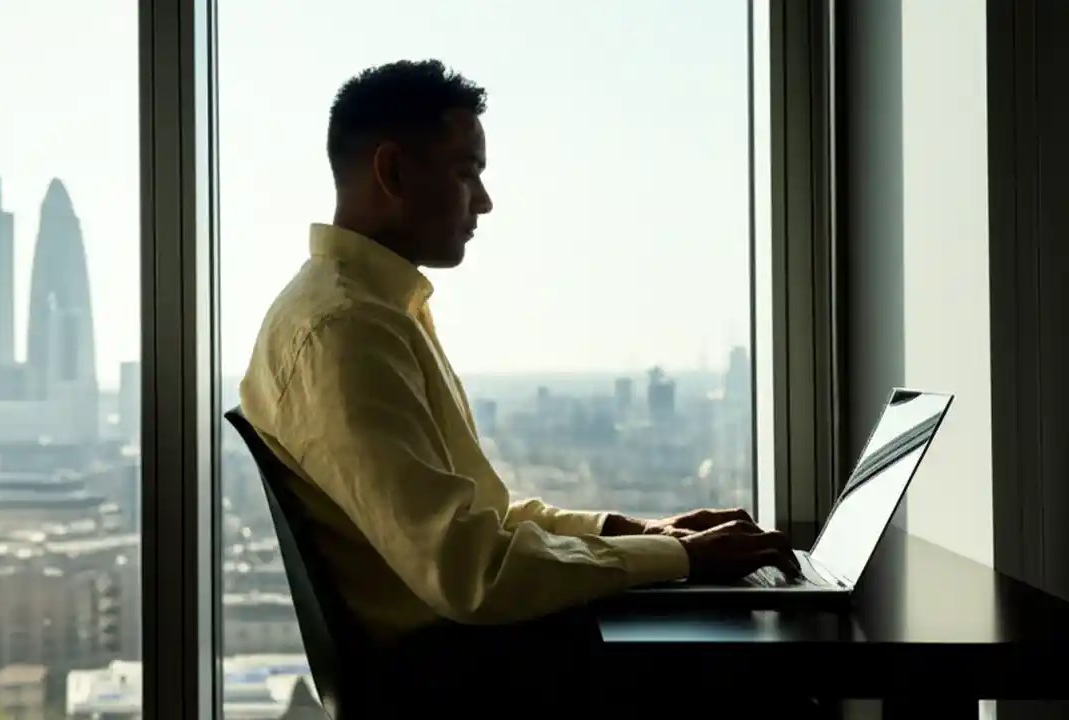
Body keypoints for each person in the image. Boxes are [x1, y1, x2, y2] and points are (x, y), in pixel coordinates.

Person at [239, 59, 806, 714]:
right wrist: (680, 560)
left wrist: (644, 532)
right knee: (765, 677)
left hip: (469, 656)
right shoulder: (347, 329)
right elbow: (471, 571)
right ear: (392, 172)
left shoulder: (366, 311)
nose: (483, 201)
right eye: (466, 172)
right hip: (464, 677)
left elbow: (483, 520)